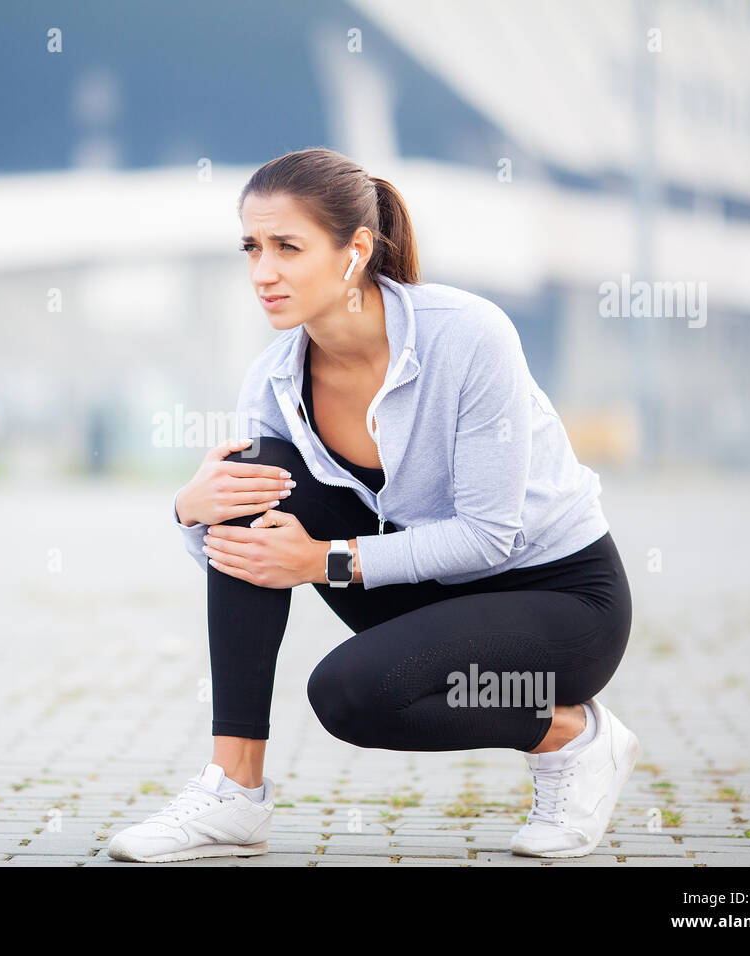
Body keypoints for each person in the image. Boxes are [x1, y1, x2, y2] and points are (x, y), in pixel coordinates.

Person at [107, 147, 637, 863]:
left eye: (287, 247)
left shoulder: (469, 337)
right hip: (424, 590)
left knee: (350, 694)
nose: (263, 273)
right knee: (252, 473)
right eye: (252, 248)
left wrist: (323, 560)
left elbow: (488, 537)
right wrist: (191, 513)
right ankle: (234, 789)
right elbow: (248, 552)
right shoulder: (273, 382)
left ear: (356, 250)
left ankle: (573, 738)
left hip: (558, 602)